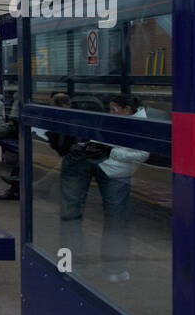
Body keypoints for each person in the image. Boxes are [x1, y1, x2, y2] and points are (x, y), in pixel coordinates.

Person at [59, 93, 148, 283]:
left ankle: (106, 267)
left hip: (115, 170)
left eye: (115, 109)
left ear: (127, 110)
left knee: (113, 217)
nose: (111, 113)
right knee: (113, 216)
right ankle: (108, 267)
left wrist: (111, 151)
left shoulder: (142, 126)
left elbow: (142, 154)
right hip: (97, 162)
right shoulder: (118, 118)